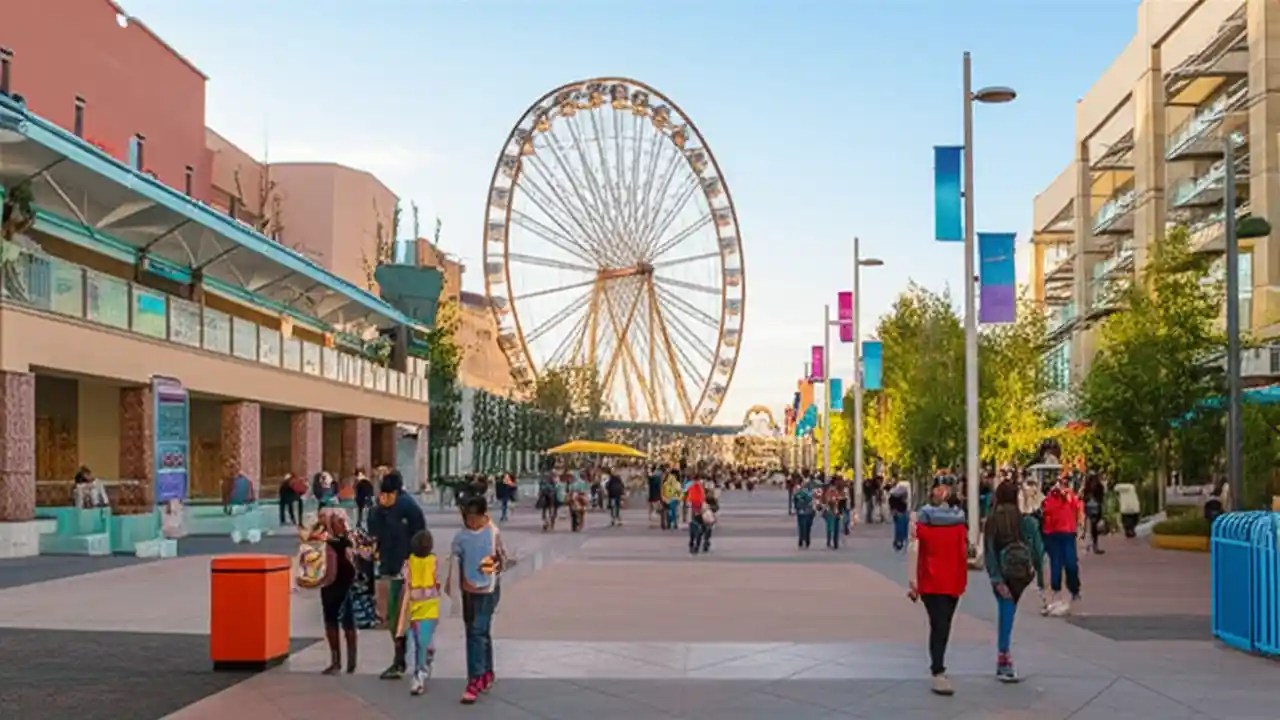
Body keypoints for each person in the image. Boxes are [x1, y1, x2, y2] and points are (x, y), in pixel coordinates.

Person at [907, 477, 968, 696]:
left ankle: (939, 666)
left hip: (947, 581)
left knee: (943, 625)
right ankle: (938, 669)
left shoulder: (957, 522)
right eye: (939, 488)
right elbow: (914, 553)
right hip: (934, 582)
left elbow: (962, 554)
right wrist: (913, 582)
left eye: (946, 488)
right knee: (940, 624)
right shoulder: (924, 522)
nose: (943, 492)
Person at [445, 496, 507, 705]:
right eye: (467, 518)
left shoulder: (492, 532)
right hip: (468, 591)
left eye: (474, 517)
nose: (470, 522)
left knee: (477, 633)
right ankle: (487, 671)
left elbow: (502, 561)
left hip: (488, 590)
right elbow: (454, 560)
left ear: (483, 515)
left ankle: (474, 680)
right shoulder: (461, 537)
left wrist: (490, 567)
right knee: (477, 632)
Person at [368, 469, 427, 680]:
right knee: (395, 618)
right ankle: (402, 657)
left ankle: (404, 659)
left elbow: (420, 536)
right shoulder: (383, 509)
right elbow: (374, 533)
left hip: (403, 569)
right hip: (392, 568)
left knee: (400, 617)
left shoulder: (407, 507)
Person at [983, 480, 1038, 682]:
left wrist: (996, 578)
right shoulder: (1022, 520)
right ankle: (1004, 657)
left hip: (1001, 572)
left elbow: (989, 551)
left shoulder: (992, 520)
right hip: (1019, 574)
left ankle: (1003, 658)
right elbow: (1032, 547)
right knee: (1009, 612)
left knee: (1005, 611)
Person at [313, 510, 358, 675]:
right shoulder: (348, 541)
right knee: (347, 621)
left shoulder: (330, 544)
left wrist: (320, 581)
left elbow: (328, 571)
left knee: (334, 621)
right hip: (345, 584)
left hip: (334, 586)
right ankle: (350, 662)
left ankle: (337, 661)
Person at [396, 529, 439, 696]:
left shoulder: (412, 563)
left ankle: (420, 673)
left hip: (423, 607)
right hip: (424, 607)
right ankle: (424, 662)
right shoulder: (428, 561)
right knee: (420, 640)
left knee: (419, 641)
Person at [1041, 475, 1083, 616]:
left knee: (1071, 563)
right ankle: (1056, 590)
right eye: (1060, 483)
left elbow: (1078, 510)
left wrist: (1080, 528)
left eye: (1064, 483)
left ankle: (1074, 589)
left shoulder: (1071, 497)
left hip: (1068, 533)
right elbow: (1047, 512)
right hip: (1053, 534)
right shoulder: (1051, 497)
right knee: (1056, 564)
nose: (1062, 486)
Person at [1017, 477, 1049, 613]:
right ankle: (1039, 583)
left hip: (1028, 522)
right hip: (1032, 523)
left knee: (1031, 553)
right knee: (1037, 555)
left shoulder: (1023, 494)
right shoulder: (1035, 495)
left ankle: (1032, 579)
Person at [1082, 473, 1106, 554]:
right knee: (1094, 526)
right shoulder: (1099, 486)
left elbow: (1084, 497)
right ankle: (1094, 545)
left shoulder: (1087, 486)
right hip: (1096, 508)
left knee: (1089, 526)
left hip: (1089, 507)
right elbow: (1101, 498)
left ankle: (1088, 545)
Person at [686, 476, 708, 554]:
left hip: (693, 509)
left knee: (694, 527)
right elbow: (702, 499)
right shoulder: (699, 487)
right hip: (698, 510)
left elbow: (689, 499)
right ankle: (697, 544)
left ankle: (692, 543)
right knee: (701, 528)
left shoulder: (692, 487)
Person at [888, 478, 911, 551]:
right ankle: (899, 541)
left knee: (899, 528)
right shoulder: (899, 495)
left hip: (899, 513)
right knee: (901, 528)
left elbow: (892, 504)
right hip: (900, 513)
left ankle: (899, 541)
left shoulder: (894, 494)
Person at [793, 480, 816, 548]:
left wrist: (797, 508)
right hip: (807, 512)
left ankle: (802, 540)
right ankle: (806, 540)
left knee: (802, 527)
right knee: (807, 527)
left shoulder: (800, 493)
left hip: (803, 512)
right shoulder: (810, 493)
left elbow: (795, 500)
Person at [823, 482, 842, 550]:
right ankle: (830, 541)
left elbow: (840, 503)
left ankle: (834, 542)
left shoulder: (837, 493)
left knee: (834, 528)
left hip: (835, 513)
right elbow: (827, 502)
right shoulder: (828, 493)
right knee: (830, 527)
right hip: (830, 513)